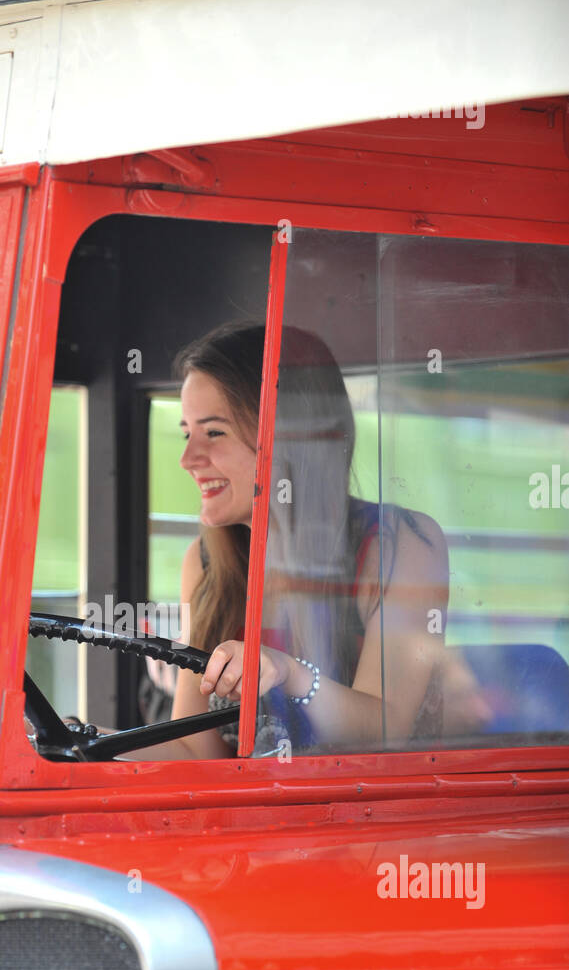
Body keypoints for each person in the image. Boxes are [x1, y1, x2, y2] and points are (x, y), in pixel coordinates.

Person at [132, 321, 448, 759]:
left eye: (215, 432)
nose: (187, 459)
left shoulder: (400, 545)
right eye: (188, 433)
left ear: (290, 435)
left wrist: (289, 673)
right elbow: (193, 746)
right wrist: (78, 756)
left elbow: (385, 730)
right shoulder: (204, 561)